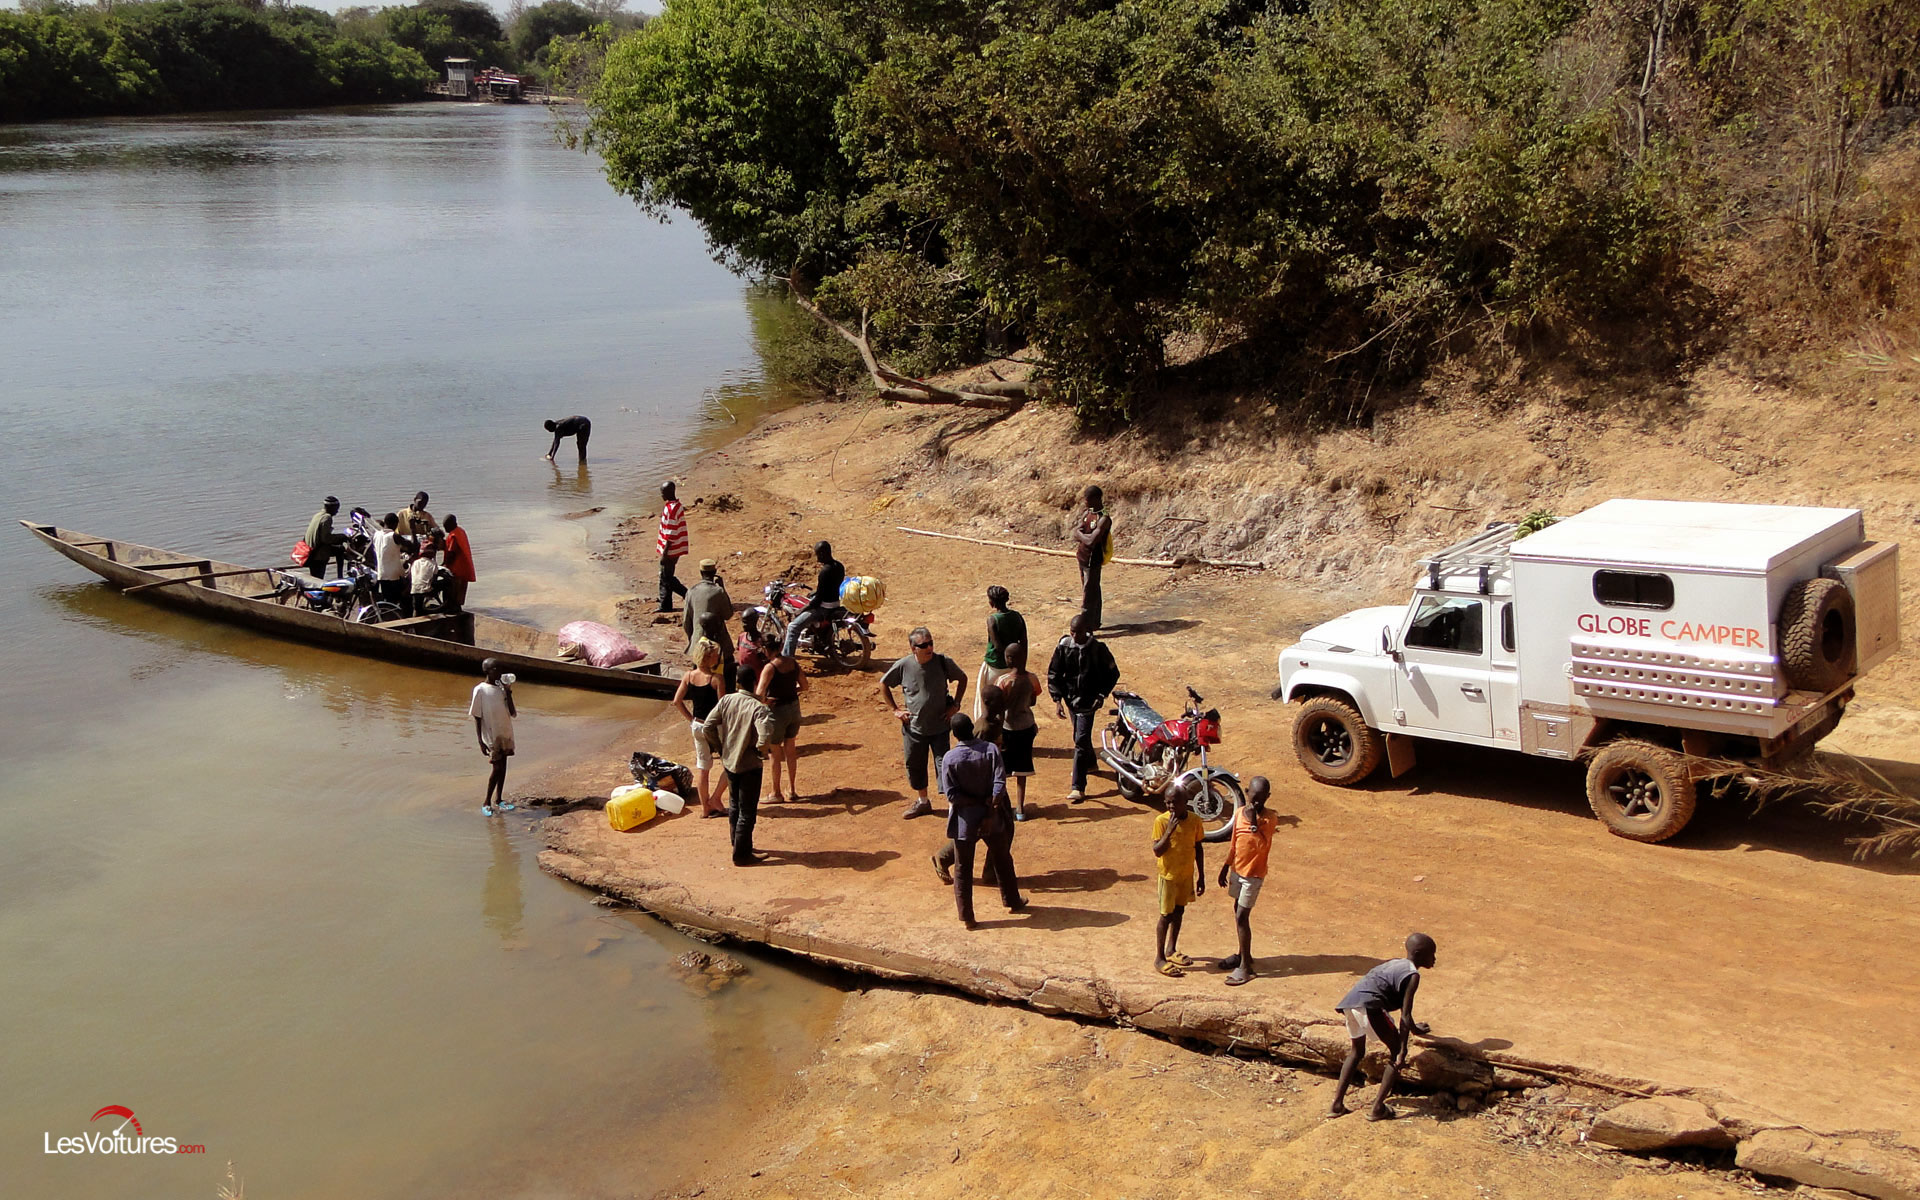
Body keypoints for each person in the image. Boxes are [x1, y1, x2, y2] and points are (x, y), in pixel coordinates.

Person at [1329, 933, 1439, 1121]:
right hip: (1371, 1007)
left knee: (1356, 1052)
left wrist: (1415, 1029)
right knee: (1396, 1054)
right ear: (1419, 954)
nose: (1434, 959)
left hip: (1350, 1004)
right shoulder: (1413, 975)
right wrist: (1403, 1048)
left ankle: (1336, 1105)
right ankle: (1377, 1109)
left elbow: (1405, 1013)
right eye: (1432, 954)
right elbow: (1405, 1015)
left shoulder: (1395, 963)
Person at [933, 714, 1025, 929]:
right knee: (1003, 860)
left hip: (965, 821)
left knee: (962, 869)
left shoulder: (949, 758)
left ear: (954, 735)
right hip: (992, 818)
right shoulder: (990, 750)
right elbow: (999, 784)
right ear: (972, 729)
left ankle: (967, 917)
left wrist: (974, 802)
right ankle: (1013, 901)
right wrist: (990, 809)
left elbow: (952, 795)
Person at [880, 627, 967, 819]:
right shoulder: (904, 665)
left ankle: (953, 807)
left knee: (945, 767)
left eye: (931, 643)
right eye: (924, 645)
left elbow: (962, 678)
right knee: (915, 765)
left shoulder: (943, 662)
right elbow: (884, 684)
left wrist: (956, 705)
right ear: (913, 648)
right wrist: (895, 709)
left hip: (940, 727)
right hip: (914, 728)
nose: (929, 648)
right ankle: (923, 802)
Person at [1205, 775, 1277, 986]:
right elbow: (1235, 843)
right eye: (1254, 797)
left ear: (1268, 797)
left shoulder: (1270, 818)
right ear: (1247, 793)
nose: (1257, 802)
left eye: (1262, 798)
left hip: (1253, 876)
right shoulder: (1238, 814)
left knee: (1242, 916)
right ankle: (1243, 954)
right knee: (1237, 910)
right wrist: (1225, 867)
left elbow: (1263, 846)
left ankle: (1246, 967)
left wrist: (1254, 822)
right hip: (1237, 871)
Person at [700, 674, 776, 864]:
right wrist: (761, 751)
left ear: (737, 683)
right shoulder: (758, 707)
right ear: (755, 684)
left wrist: (720, 748)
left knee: (734, 805)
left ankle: (738, 844)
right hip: (750, 765)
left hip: (730, 762)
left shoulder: (727, 700)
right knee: (747, 811)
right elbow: (765, 734)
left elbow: (707, 726)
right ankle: (742, 855)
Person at [1047, 611, 1119, 803]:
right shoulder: (1064, 647)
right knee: (1081, 736)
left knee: (1080, 740)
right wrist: (1057, 700)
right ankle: (1091, 764)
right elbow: (1054, 673)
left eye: (1078, 632)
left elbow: (1113, 674)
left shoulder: (1098, 649)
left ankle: (1078, 787)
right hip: (1071, 700)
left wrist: (1101, 695)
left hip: (1088, 702)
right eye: (1072, 631)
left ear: (1087, 631)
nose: (1074, 635)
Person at [1150, 778, 1206, 978]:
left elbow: (1198, 847)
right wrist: (1169, 832)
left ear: (1186, 802)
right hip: (1168, 876)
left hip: (1186, 874)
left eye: (1175, 802)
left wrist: (1201, 876)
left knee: (1179, 910)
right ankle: (1159, 957)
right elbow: (1157, 850)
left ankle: (1171, 949)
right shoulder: (1161, 821)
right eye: (1167, 802)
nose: (1171, 806)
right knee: (1166, 916)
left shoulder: (1195, 820)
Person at [672, 639, 727, 817]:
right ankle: (716, 798)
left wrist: (691, 719)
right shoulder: (716, 679)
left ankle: (705, 808)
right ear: (708, 657)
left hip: (697, 725)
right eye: (715, 655)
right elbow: (722, 708)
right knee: (730, 764)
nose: (718, 658)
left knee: (703, 769)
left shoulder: (688, 676)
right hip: (714, 726)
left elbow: (677, 701)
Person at [992, 642, 1044, 821]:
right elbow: (1033, 701)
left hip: (1008, 727)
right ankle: (1020, 808)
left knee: (1003, 770)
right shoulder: (1032, 678)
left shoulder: (1003, 681)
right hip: (1026, 726)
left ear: (1009, 659)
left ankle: (1002, 806)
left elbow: (998, 705)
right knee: (1022, 769)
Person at [755, 648, 806, 803]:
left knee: (774, 752)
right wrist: (791, 691)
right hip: (794, 708)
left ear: (766, 649)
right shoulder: (792, 663)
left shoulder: (770, 667)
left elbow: (759, 693)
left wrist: (766, 701)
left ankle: (776, 793)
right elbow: (805, 686)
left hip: (777, 711)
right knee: (790, 748)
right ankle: (792, 789)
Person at [469, 659, 517, 816]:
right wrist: (480, 741)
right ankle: (486, 802)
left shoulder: (502, 689)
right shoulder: (480, 690)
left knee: (503, 767)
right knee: (497, 768)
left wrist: (508, 691)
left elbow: (512, 712)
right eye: (496, 669)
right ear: (487, 671)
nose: (500, 672)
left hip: (504, 732)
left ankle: (499, 799)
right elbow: (477, 716)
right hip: (491, 736)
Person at [782, 541, 846, 657]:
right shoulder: (839, 566)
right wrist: (815, 593)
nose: (817, 558)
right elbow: (830, 587)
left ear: (821, 554)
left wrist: (801, 610)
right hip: (835, 603)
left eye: (817, 554)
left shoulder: (824, 572)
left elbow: (818, 600)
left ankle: (786, 659)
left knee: (793, 627)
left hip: (824, 609)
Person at [973, 585, 1027, 723]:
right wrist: (1020, 665)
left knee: (987, 699)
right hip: (1013, 666)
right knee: (1007, 699)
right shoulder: (1017, 617)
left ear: (992, 602)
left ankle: (985, 728)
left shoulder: (992, 620)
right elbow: (1024, 642)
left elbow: (997, 646)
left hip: (994, 666)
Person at [683, 559, 736, 692]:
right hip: (720, 643)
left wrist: (693, 640)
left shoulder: (691, 591)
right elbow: (728, 614)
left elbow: (686, 622)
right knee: (727, 681)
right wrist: (723, 588)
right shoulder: (718, 592)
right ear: (715, 572)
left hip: (698, 643)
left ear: (701, 572)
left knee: (699, 680)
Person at [1071, 485, 1112, 629]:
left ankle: (1087, 626)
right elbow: (1076, 532)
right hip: (1082, 557)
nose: (1085, 502)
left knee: (1089, 593)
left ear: (1096, 499)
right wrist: (1084, 536)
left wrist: (1081, 535)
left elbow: (1091, 541)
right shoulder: (1088, 513)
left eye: (1087, 499)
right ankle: (1095, 621)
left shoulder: (1104, 518)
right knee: (1092, 589)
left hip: (1092, 560)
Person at [371, 513, 417, 620]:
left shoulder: (376, 535)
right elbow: (413, 547)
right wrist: (412, 529)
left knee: (390, 603)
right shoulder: (394, 536)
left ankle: (391, 620)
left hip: (381, 575)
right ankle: (408, 622)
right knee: (407, 598)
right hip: (394, 577)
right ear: (396, 524)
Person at [656, 481, 688, 613]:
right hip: (676, 547)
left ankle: (688, 595)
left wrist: (665, 554)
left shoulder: (671, 509)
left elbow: (670, 534)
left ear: (669, 493)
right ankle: (665, 604)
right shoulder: (676, 505)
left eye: (662, 493)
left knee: (666, 577)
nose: (661, 495)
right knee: (666, 575)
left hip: (671, 549)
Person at [304, 496, 348, 580]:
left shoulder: (318, 515)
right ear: (331, 507)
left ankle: (340, 577)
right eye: (336, 508)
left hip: (310, 550)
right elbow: (326, 539)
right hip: (317, 554)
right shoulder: (327, 518)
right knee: (318, 579)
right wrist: (342, 537)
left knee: (339, 549)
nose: (337, 511)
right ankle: (340, 577)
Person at [441, 514, 475, 613]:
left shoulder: (453, 536)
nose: (445, 529)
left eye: (446, 527)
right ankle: (457, 609)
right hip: (465, 567)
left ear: (452, 524)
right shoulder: (461, 531)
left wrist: (444, 565)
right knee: (459, 594)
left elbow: (452, 553)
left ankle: (453, 611)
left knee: (454, 592)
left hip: (457, 569)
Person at [408, 530, 440, 615]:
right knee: (444, 583)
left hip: (414, 590)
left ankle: (416, 615)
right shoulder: (433, 564)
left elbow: (411, 576)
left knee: (417, 607)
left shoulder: (415, 563)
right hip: (426, 590)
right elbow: (434, 579)